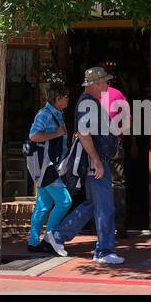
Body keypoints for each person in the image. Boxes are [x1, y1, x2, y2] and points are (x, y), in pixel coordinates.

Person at [48, 65, 124, 264]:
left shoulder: (89, 103)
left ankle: (57, 235)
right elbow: (83, 134)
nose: (108, 84)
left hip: (94, 161)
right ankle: (104, 251)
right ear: (97, 83)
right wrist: (97, 161)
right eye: (105, 81)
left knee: (92, 204)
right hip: (95, 162)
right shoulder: (87, 104)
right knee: (105, 207)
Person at [25, 78, 73, 254]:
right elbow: (33, 136)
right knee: (65, 201)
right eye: (66, 97)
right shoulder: (45, 114)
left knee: (43, 204)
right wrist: (56, 133)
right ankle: (50, 238)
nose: (68, 99)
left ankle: (33, 241)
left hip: (51, 165)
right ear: (58, 97)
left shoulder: (57, 113)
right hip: (46, 166)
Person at [99, 61, 130, 237]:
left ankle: (100, 225)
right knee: (117, 183)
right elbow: (127, 122)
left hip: (97, 143)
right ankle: (119, 225)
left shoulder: (91, 96)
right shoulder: (118, 94)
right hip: (115, 140)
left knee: (97, 183)